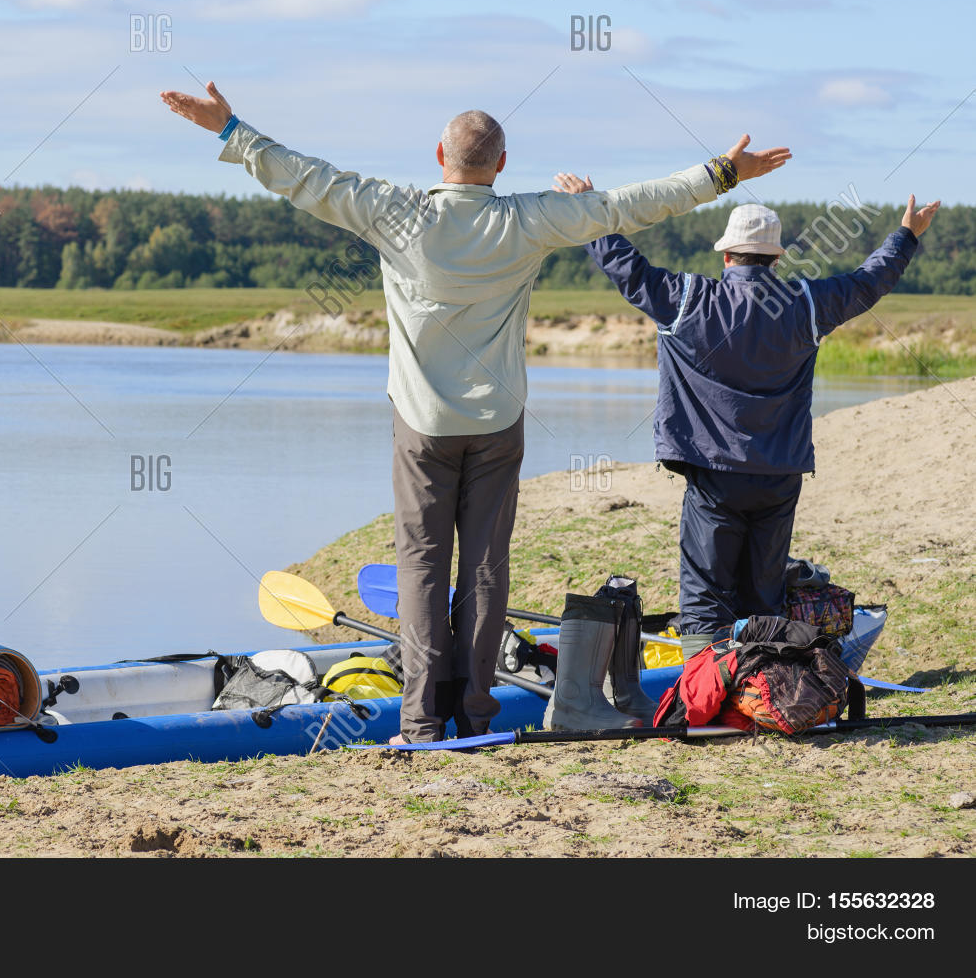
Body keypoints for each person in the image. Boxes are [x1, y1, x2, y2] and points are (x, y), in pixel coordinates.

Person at [160, 79, 791, 741]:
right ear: (502, 164)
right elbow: (629, 205)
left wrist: (232, 131)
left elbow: (304, 178)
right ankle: (476, 711)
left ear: (439, 155)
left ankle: (422, 721)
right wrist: (722, 171)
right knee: (487, 568)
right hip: (496, 425)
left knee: (422, 566)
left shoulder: (394, 210)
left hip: (423, 427)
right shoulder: (527, 218)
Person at [553, 173, 940, 660]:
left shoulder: (690, 299)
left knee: (704, 601)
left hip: (714, 478)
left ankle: (707, 686)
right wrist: (905, 236)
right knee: (765, 597)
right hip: (780, 476)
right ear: (776, 258)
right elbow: (868, 283)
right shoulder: (805, 305)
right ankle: (765, 681)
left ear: (726, 255)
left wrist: (590, 210)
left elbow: (625, 267)